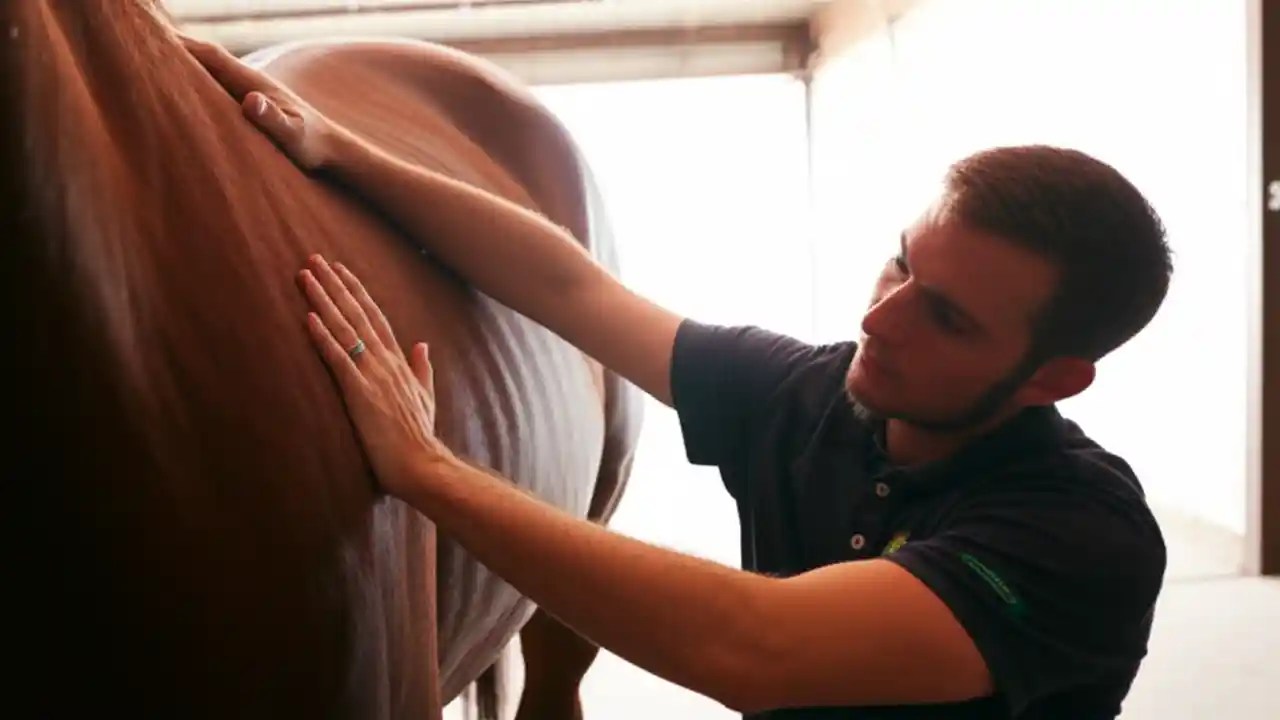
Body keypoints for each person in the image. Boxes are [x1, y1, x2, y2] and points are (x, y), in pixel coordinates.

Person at [183, 37, 1171, 719]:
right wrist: (334, 147)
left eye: (945, 316)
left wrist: (427, 471)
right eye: (900, 264)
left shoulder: (1077, 537)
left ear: (1052, 379)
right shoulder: (812, 396)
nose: (878, 318)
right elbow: (569, 286)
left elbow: (751, 649)